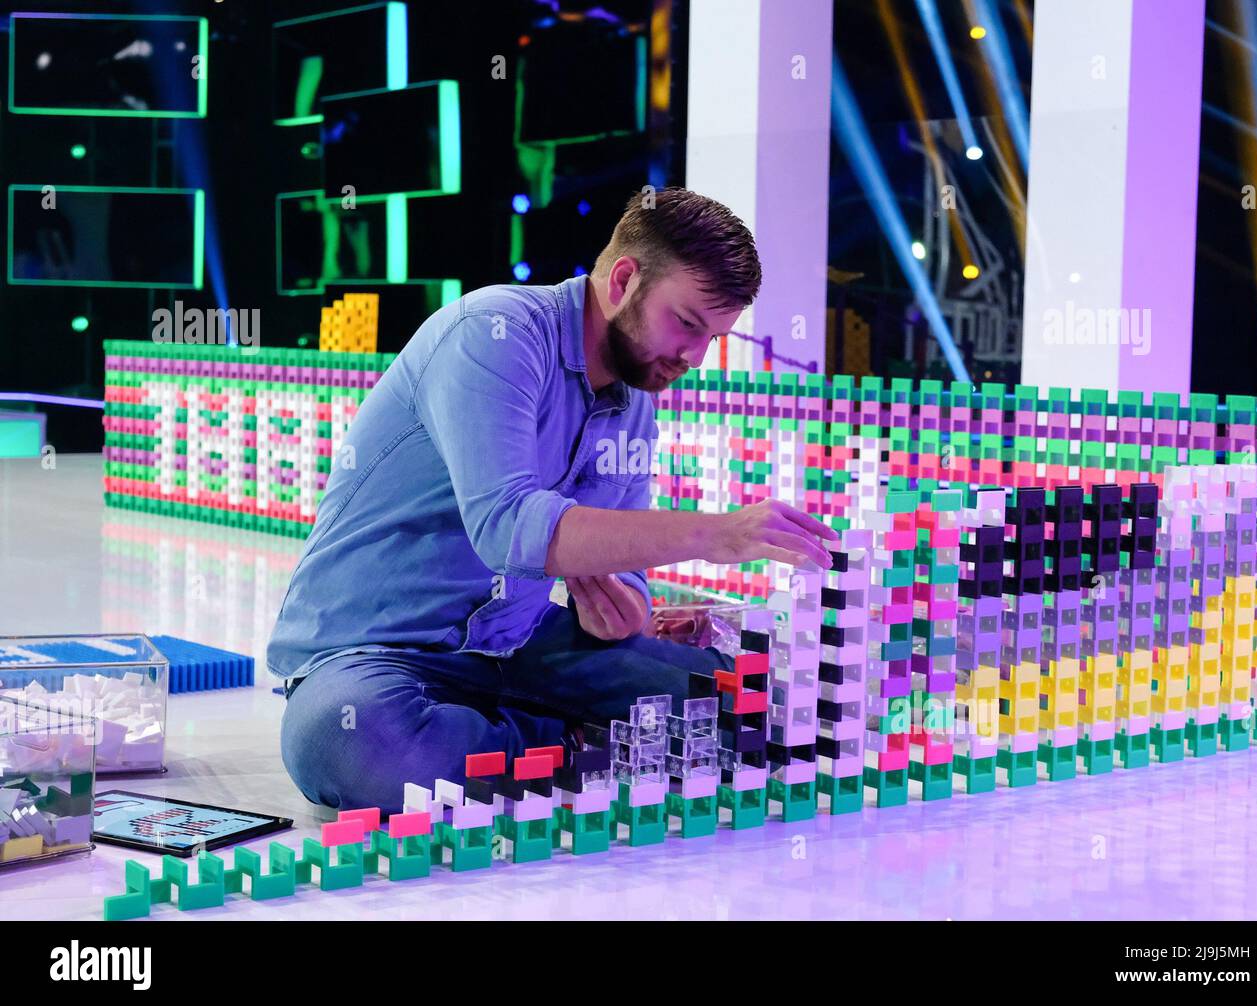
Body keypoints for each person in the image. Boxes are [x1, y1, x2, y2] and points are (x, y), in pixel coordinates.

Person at [269, 187, 837, 812]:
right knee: (351, 740)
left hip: (521, 643)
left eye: (714, 339)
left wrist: (625, 610)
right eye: (686, 324)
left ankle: (539, 747)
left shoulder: (633, 404)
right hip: (377, 649)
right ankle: (578, 744)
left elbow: (623, 576)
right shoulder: (495, 334)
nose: (694, 358)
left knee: (751, 710)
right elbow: (507, 525)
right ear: (623, 280)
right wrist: (715, 533)